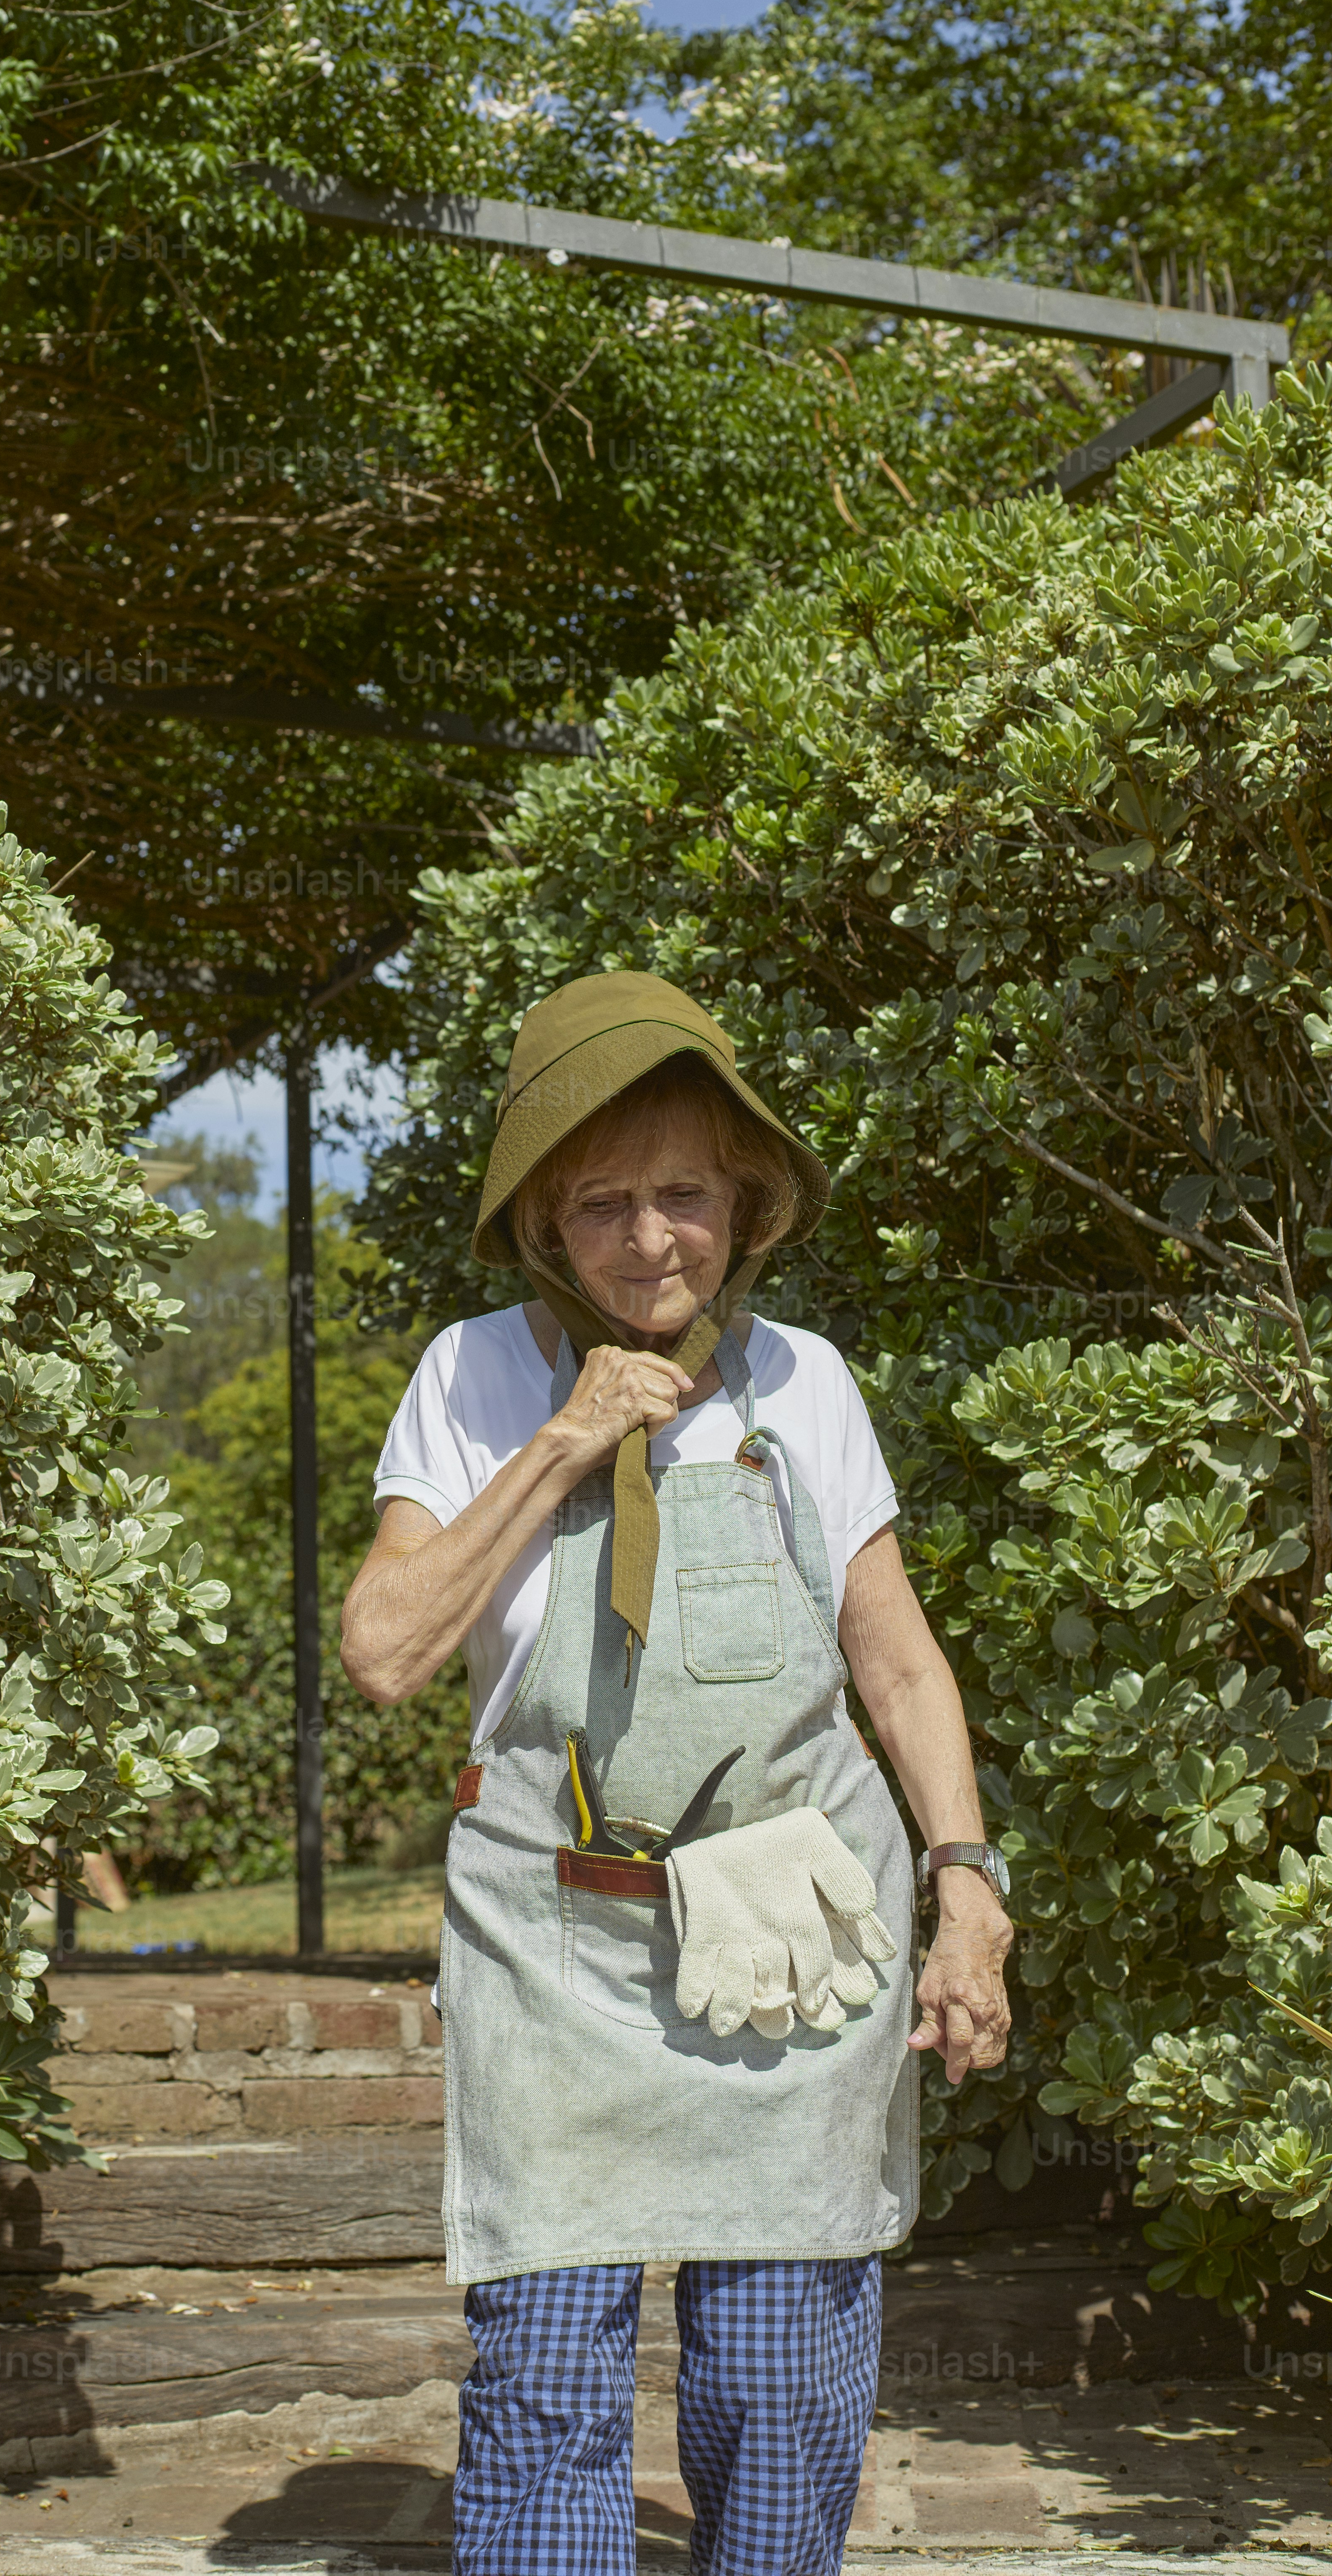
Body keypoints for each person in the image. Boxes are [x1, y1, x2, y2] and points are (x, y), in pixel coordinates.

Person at [341, 972, 1012, 2576]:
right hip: (557, 1947)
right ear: (539, 1225)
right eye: (604, 1205)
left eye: (686, 1197)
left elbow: (898, 1662)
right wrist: (570, 1439)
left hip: (796, 1936)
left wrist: (968, 1885)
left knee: (784, 2390)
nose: (652, 1242)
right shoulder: (470, 1379)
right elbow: (385, 1649)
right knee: (549, 2371)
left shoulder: (808, 1388)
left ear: (744, 1203)